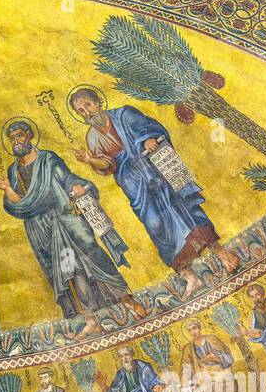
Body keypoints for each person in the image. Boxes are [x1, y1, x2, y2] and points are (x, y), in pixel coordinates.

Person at [69, 88, 239, 297]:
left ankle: (221, 253)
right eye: (80, 111)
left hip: (153, 167)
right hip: (132, 183)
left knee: (183, 207)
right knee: (155, 224)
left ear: (98, 102)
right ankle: (188, 276)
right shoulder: (93, 138)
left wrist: (147, 139)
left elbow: (150, 129)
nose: (86, 112)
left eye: (88, 105)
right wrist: (90, 160)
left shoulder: (124, 114)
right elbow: (108, 165)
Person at [0, 120, 136, 339]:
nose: (16, 142)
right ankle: (89, 318)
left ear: (29, 136)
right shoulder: (14, 171)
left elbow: (66, 178)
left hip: (65, 216)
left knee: (90, 251)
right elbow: (19, 202)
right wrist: (7, 189)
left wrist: (75, 187)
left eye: (19, 136)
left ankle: (126, 298)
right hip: (40, 227)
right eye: (12, 139)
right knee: (67, 270)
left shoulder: (47, 159)